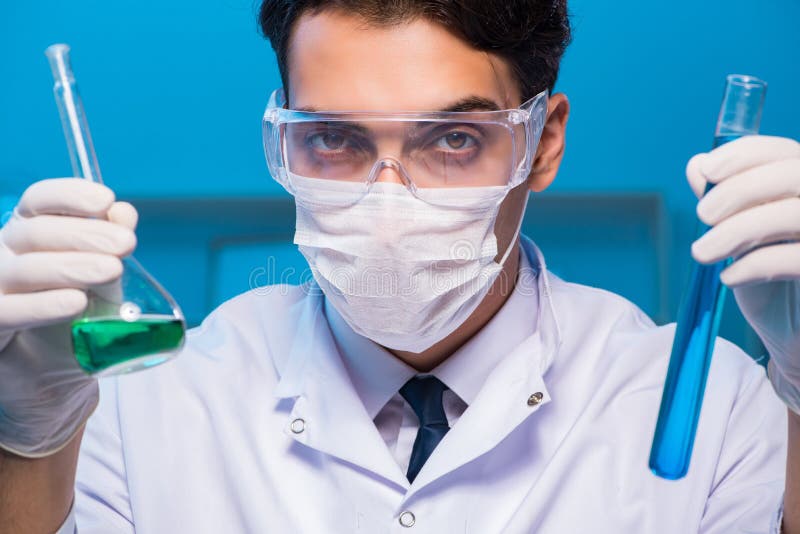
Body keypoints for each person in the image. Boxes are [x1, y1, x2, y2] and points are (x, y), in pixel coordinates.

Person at [1, 1, 799, 532]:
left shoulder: (715, 405)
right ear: (282, 136)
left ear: (543, 142)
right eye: (334, 141)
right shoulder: (142, 406)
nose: (388, 206)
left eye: (453, 140)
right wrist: (23, 435)